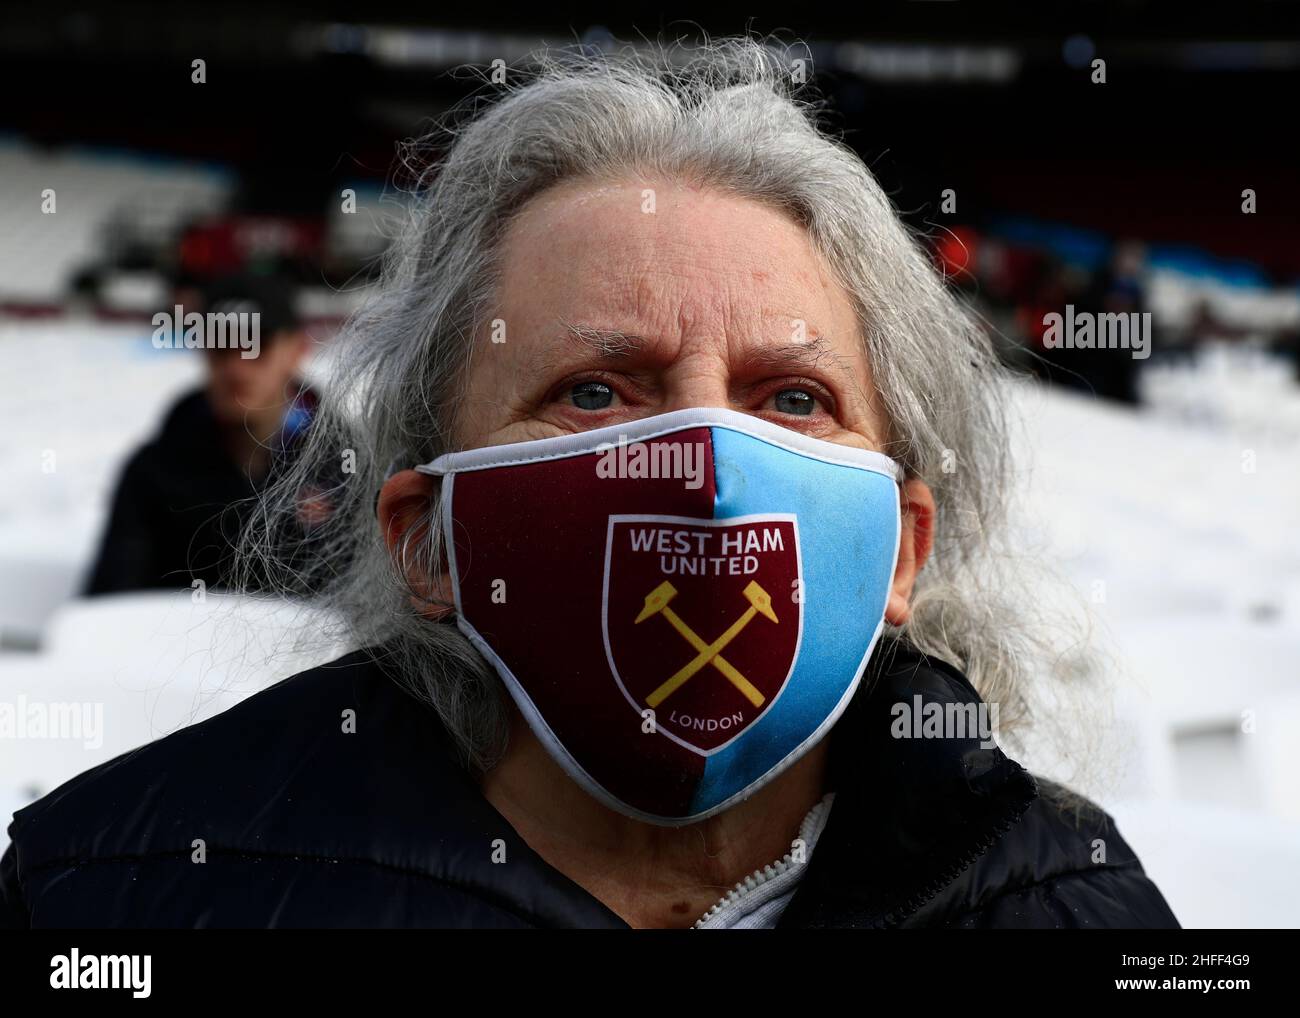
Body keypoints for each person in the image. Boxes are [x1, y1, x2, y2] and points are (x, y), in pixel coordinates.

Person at [2, 38, 1178, 929]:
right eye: (598, 391)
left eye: (792, 397)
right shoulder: (112, 898)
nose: (704, 464)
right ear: (429, 537)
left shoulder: (1079, 909)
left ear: (902, 549)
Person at [82, 274, 319, 596]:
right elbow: (109, 603)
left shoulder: (346, 469)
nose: (237, 367)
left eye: (257, 346)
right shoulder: (153, 472)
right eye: (222, 347)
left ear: (297, 350)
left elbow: (368, 613)